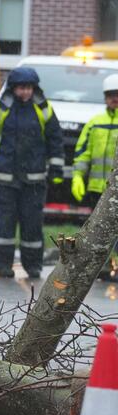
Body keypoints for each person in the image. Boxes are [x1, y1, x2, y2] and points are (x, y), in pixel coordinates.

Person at [0, 67, 64, 278]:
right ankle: (3, 266)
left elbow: (55, 140)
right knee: (3, 226)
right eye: (22, 88)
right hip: (4, 180)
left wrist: (56, 168)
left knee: (32, 227)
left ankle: (33, 267)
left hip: (34, 181)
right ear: (13, 88)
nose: (26, 92)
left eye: (29, 88)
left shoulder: (43, 110)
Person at [71, 73, 118, 281]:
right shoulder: (94, 123)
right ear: (105, 97)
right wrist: (77, 176)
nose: (114, 99)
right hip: (97, 188)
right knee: (98, 233)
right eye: (111, 95)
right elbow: (83, 153)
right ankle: (102, 268)